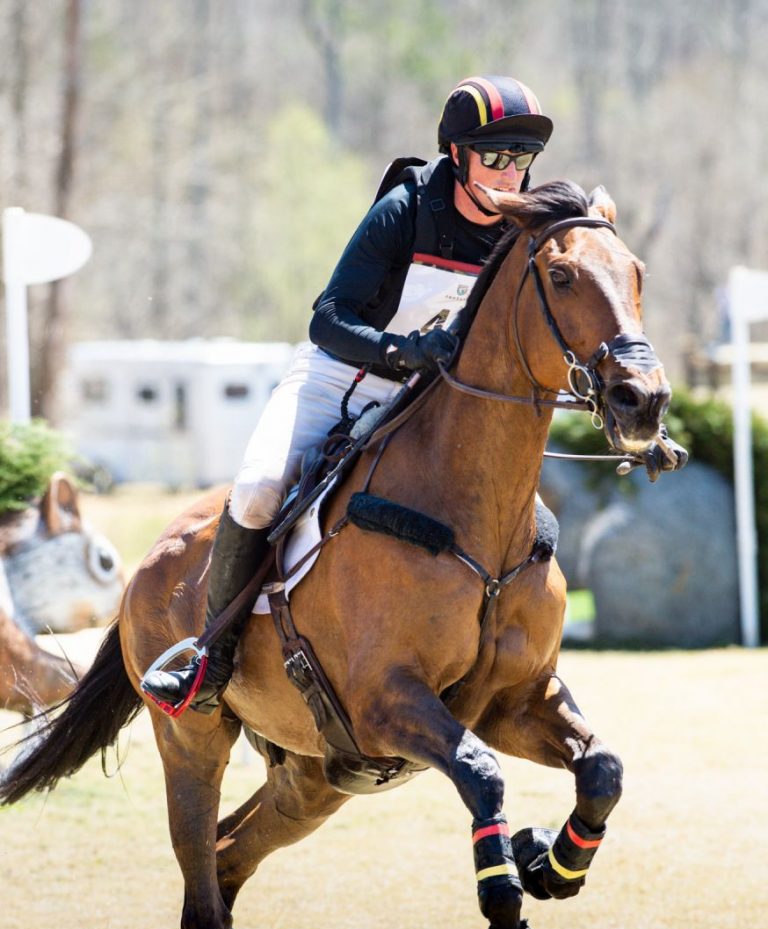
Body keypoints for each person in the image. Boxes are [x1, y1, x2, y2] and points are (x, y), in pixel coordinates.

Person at [142, 73, 680, 714]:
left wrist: (634, 421)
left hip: (429, 402)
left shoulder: (526, 235)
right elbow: (328, 318)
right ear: (456, 154)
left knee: (526, 522)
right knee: (259, 490)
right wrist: (402, 351)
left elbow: (555, 341)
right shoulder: (406, 209)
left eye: (522, 158)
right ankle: (211, 657)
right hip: (341, 378)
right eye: (495, 158)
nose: (510, 173)